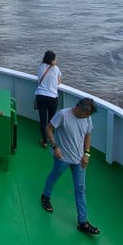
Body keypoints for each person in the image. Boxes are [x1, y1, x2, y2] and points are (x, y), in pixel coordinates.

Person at [40, 97, 100, 235]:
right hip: (63, 158)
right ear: (78, 108)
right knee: (54, 176)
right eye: (85, 114)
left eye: (88, 115)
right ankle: (45, 196)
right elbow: (48, 128)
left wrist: (87, 154)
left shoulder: (87, 117)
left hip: (79, 160)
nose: (87, 117)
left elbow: (88, 135)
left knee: (80, 189)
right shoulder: (63, 115)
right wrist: (55, 146)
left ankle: (83, 222)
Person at [34, 50, 63, 148]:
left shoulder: (40, 67)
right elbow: (59, 81)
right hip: (52, 98)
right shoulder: (56, 69)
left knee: (43, 119)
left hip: (41, 96)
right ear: (51, 60)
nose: (56, 60)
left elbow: (39, 79)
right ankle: (51, 139)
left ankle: (44, 141)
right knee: (51, 120)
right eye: (55, 59)